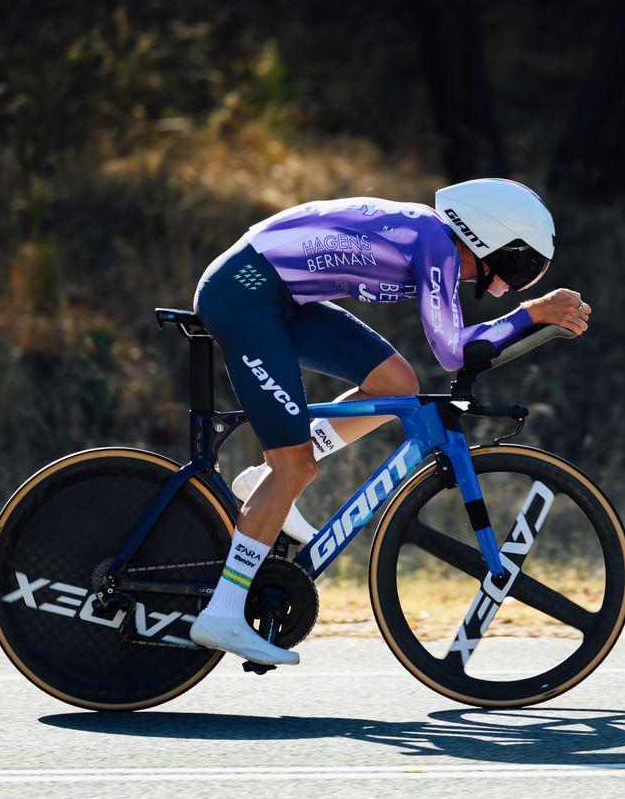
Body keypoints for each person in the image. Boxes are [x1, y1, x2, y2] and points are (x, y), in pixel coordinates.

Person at [188, 178, 592, 665]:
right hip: (245, 292)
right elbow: (452, 351)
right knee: (292, 468)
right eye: (517, 266)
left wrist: (530, 316)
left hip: (277, 294)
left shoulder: (431, 236)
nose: (510, 283)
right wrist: (531, 314)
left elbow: (448, 349)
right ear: (487, 238)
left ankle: (260, 483)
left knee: (395, 383)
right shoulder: (436, 244)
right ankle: (224, 611)